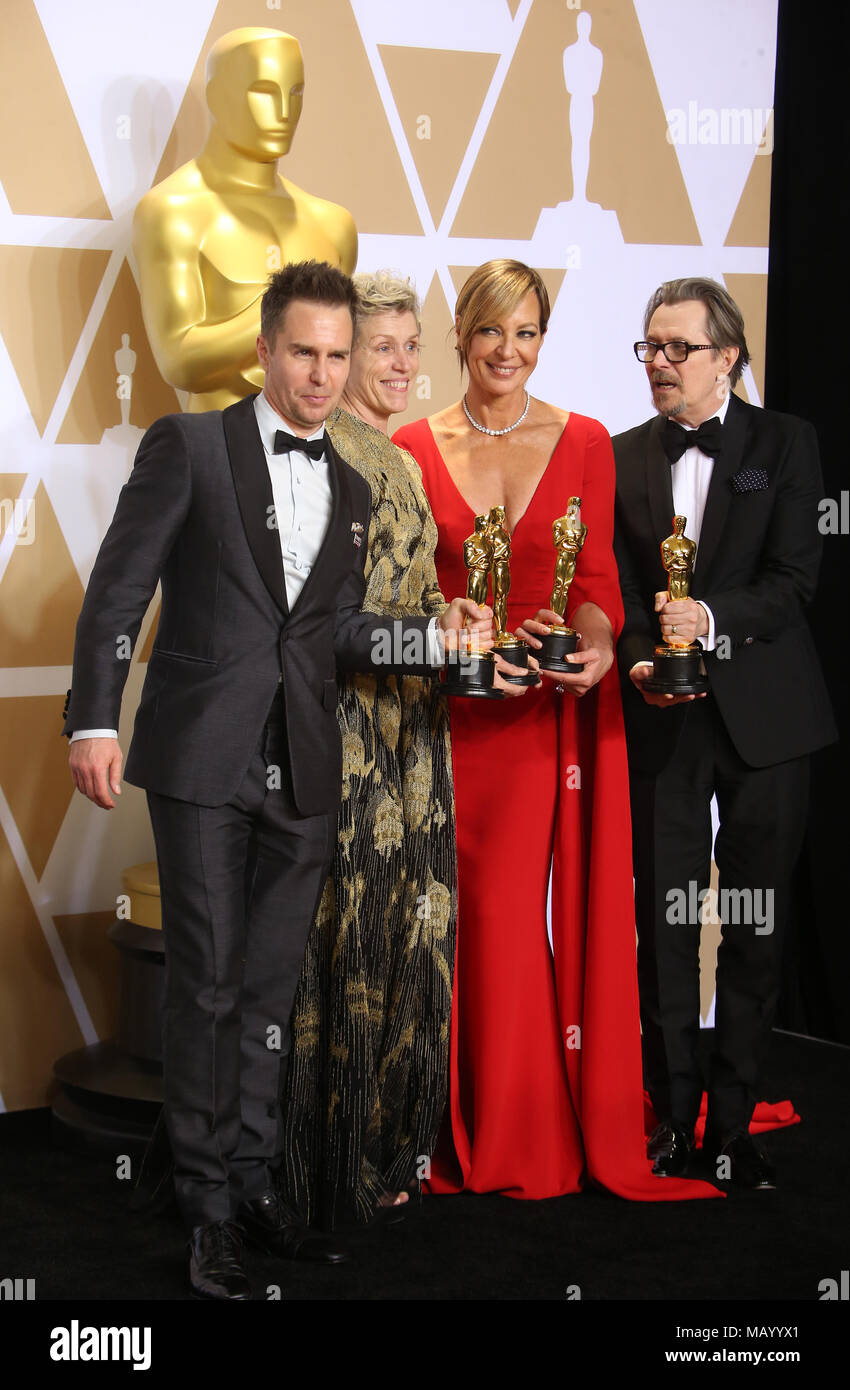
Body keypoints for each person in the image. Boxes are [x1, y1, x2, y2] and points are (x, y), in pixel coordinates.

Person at [64, 260, 491, 1299]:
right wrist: (91, 718)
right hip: (202, 758)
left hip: (306, 765)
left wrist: (433, 637)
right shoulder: (192, 447)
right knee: (205, 987)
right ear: (262, 350)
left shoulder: (349, 482)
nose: (320, 373)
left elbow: (333, 631)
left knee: (266, 992)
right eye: (302, 351)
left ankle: (253, 1186)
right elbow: (119, 589)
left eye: (336, 355)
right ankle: (206, 1210)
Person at [394, 259, 713, 1201]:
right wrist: (452, 626)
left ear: (545, 339)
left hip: (550, 721)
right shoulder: (412, 444)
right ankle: (445, 1124)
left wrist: (598, 647)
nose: (508, 351)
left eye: (527, 332)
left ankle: (523, 1128)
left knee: (509, 914)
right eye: (491, 331)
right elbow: (403, 594)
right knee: (452, 922)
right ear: (460, 335)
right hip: (445, 719)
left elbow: (599, 592)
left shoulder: (582, 442)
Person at [278, 270, 499, 1225]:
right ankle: (320, 1165)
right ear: (338, 356)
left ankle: (386, 1146)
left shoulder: (399, 459)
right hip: (349, 732)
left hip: (412, 732)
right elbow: (325, 620)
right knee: (350, 940)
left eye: (414, 345)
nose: (402, 363)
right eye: (381, 347)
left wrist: (445, 619)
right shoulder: (329, 453)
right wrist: (428, 643)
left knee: (412, 932)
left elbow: (400, 596)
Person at [613, 277, 837, 1188]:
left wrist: (703, 617)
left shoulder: (786, 444)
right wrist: (636, 655)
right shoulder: (623, 455)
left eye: (678, 349)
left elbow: (794, 582)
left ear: (728, 356)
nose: (659, 365)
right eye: (650, 348)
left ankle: (733, 1126)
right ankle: (670, 1119)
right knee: (662, 923)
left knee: (751, 928)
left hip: (768, 723)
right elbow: (620, 597)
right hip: (663, 720)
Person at [133, 27, 357, 412]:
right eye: (265, 92)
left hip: (317, 455)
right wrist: (288, 311)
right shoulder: (173, 212)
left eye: (295, 93)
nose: (284, 112)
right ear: (217, 96)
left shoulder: (333, 225)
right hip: (216, 454)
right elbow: (179, 360)